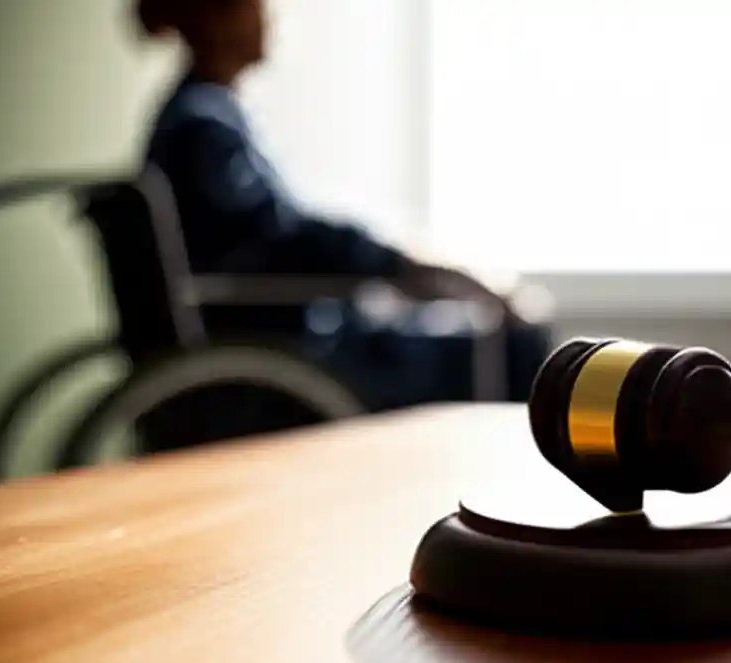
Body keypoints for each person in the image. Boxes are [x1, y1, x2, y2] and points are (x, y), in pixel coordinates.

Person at [135, 0, 548, 413]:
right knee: (517, 342)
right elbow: (284, 239)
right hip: (289, 354)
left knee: (485, 332)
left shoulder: (205, 116)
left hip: (293, 336)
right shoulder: (201, 126)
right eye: (258, 7)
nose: (271, 19)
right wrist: (409, 265)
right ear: (218, 19)